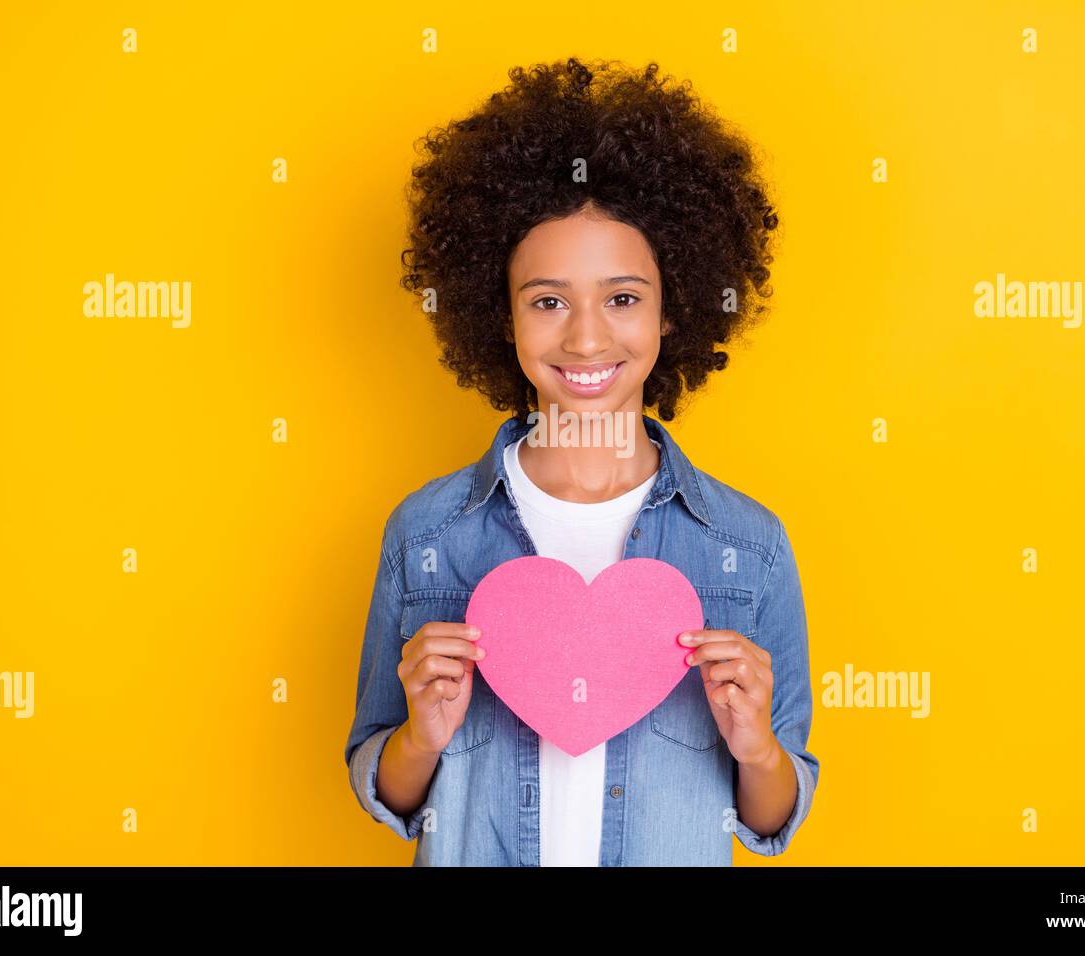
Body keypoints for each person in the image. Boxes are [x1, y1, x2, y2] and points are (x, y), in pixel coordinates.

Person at [345, 57, 818, 866]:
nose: (588, 338)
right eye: (549, 300)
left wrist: (757, 749)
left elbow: (772, 819)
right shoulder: (426, 533)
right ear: (500, 315)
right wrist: (420, 738)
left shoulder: (751, 546)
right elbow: (387, 792)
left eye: (624, 298)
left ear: (675, 311)